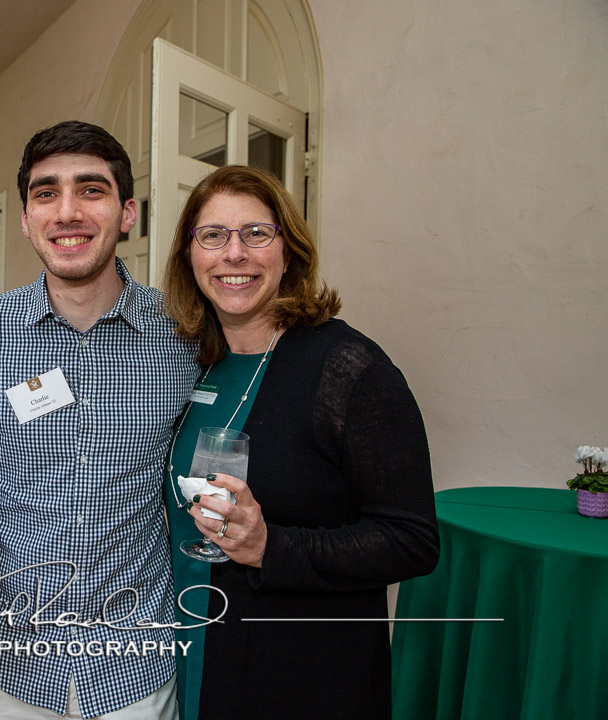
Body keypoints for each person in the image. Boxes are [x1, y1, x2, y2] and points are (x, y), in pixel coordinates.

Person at [161, 165, 440, 720]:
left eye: (256, 234)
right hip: (190, 649)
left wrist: (273, 549)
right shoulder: (192, 363)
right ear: (190, 257)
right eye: (212, 235)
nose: (233, 254)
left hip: (299, 672)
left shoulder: (349, 369)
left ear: (288, 251)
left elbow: (411, 539)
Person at [0, 120, 198, 719]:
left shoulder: (185, 333)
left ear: (128, 212)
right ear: (25, 218)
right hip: (10, 664)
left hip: (136, 663)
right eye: (46, 193)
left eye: (91, 189)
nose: (67, 212)